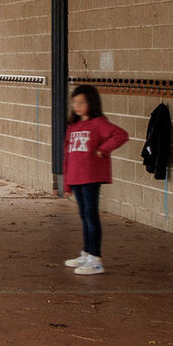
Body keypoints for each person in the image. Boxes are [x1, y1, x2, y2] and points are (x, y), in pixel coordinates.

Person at [62, 84, 129, 277]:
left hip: (91, 177)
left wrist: (103, 149)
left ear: (91, 103)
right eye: (74, 102)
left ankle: (96, 259)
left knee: (91, 216)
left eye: (81, 102)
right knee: (84, 215)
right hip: (76, 178)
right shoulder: (73, 126)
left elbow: (120, 135)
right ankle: (86, 252)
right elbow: (67, 155)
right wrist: (67, 183)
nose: (77, 105)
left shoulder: (99, 123)